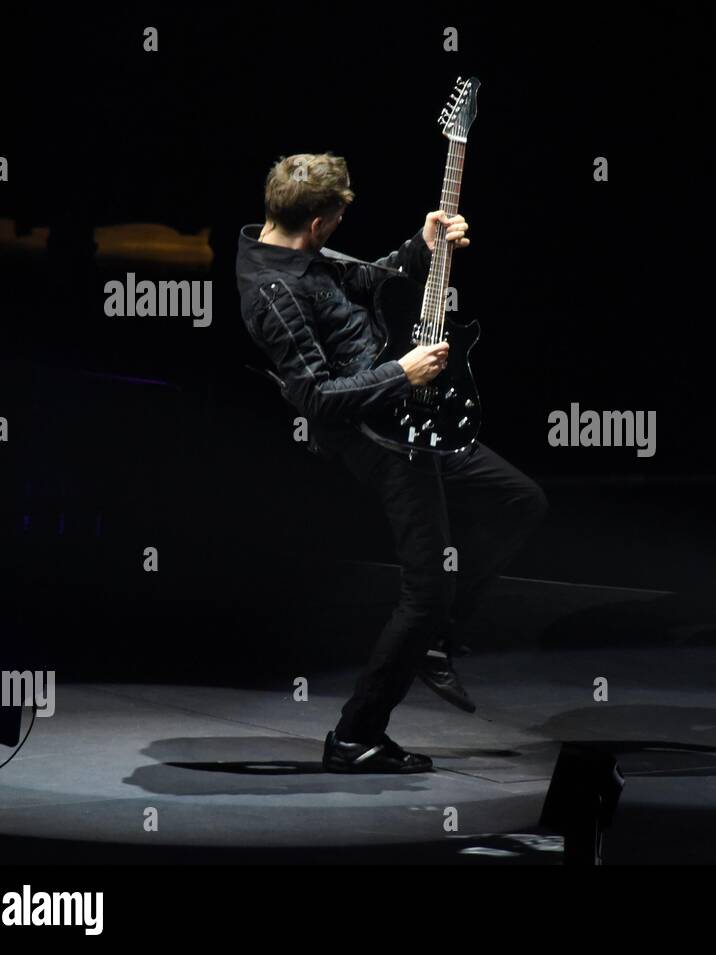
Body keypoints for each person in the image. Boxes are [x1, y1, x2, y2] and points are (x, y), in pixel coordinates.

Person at [235, 153, 547, 773]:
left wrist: (420, 244)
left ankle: (436, 639)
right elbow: (315, 397)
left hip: (410, 411)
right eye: (340, 217)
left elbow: (363, 282)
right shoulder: (272, 290)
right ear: (321, 222)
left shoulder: (301, 250)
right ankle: (355, 736)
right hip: (376, 434)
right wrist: (400, 374)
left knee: (520, 500)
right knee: (427, 587)